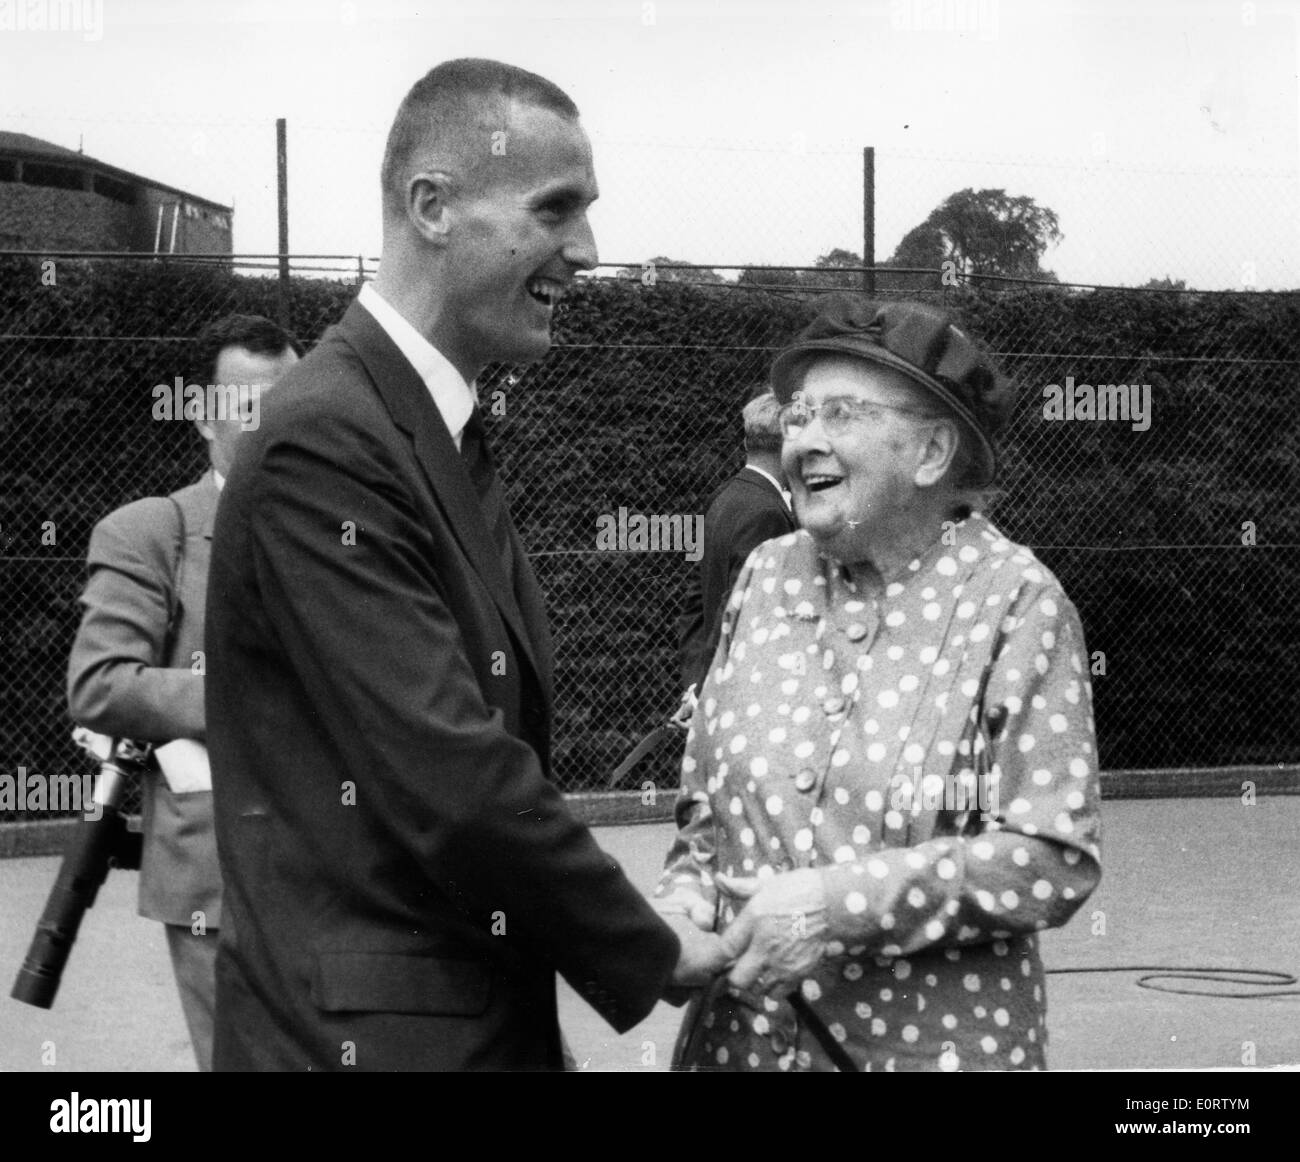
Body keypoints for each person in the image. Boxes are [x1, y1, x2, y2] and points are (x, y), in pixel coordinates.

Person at [205, 58, 727, 1072]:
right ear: (432, 206)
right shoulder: (330, 438)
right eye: (554, 209)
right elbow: (449, 773)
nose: (585, 249)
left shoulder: (421, 426)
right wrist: (649, 945)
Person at [654, 294, 1103, 1071]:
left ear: (931, 451)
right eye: (798, 416)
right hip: (740, 1049)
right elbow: (704, 816)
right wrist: (684, 901)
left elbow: (1052, 858)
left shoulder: (1016, 601)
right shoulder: (765, 575)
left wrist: (836, 908)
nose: (804, 442)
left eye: (842, 414)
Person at [66, 314, 302, 1071]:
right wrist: (257, 698)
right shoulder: (150, 532)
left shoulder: (353, 530)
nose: (274, 424)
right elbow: (100, 684)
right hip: (217, 878)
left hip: (354, 872)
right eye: (249, 406)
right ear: (203, 415)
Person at [677, 386, 796, 707]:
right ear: (786, 445)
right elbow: (741, 610)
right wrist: (705, 689)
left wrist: (693, 684)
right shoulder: (767, 513)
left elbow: (695, 604)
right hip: (746, 693)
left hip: (716, 684)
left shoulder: (724, 497)